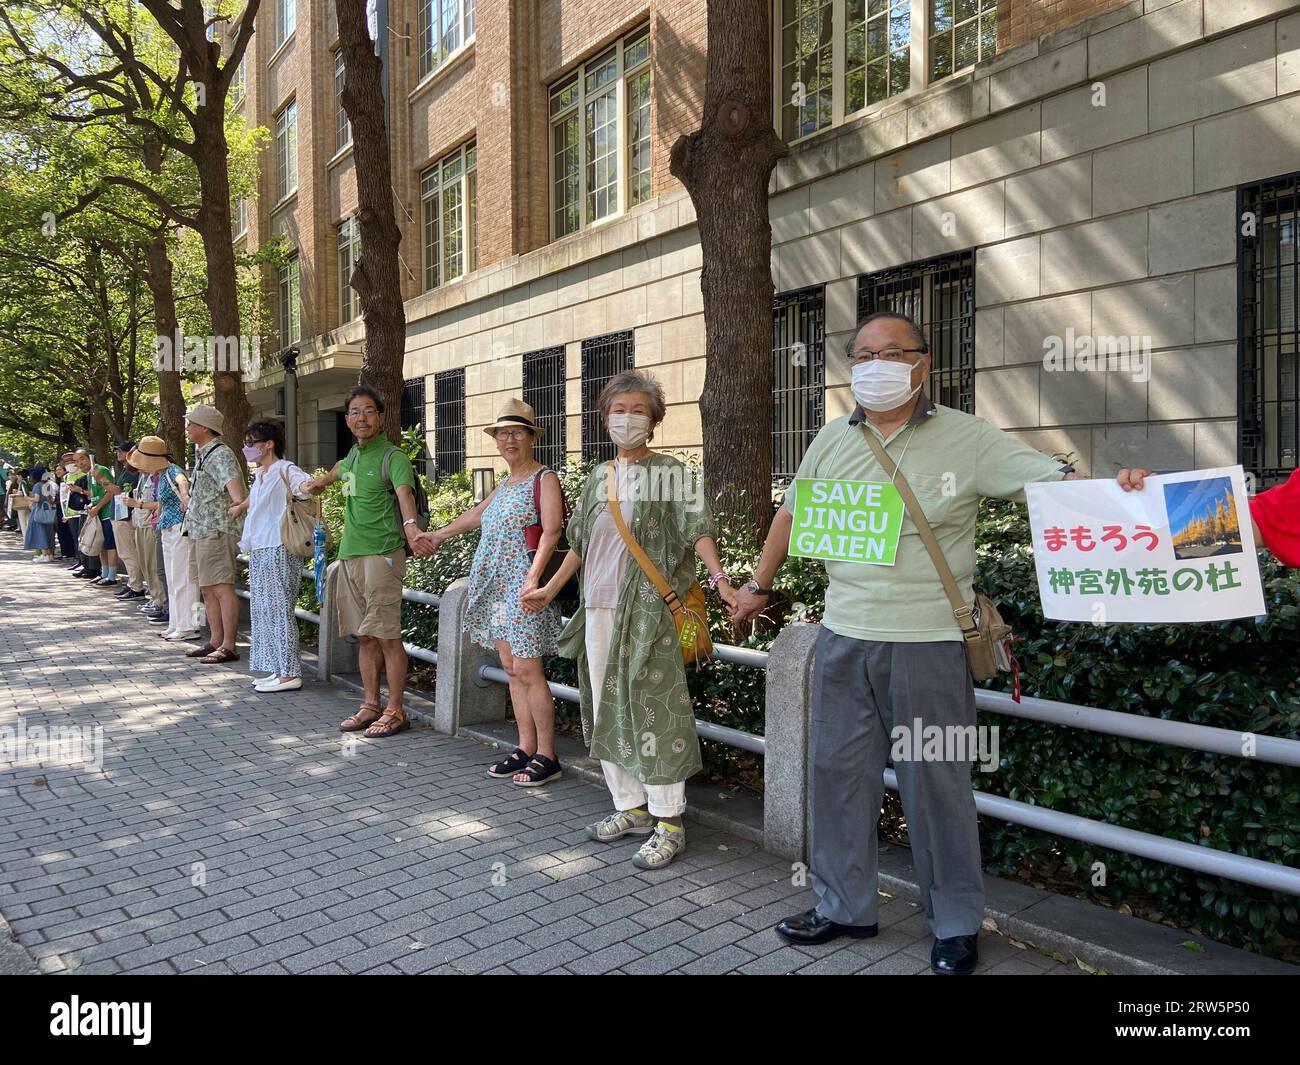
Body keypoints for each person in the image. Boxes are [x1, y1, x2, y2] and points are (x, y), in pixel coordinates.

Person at [726, 311, 1142, 975]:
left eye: (891, 351)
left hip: (925, 644)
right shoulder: (832, 437)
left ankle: (953, 921)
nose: (874, 363)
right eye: (862, 352)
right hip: (841, 639)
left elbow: (1053, 484)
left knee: (936, 785)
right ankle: (843, 906)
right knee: (836, 777)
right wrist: (755, 584)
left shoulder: (967, 437)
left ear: (922, 364)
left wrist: (1119, 494)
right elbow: (791, 511)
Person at [524, 370, 736, 869]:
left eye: (638, 410)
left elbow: (697, 526)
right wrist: (549, 590)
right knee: (604, 705)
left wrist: (721, 577)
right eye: (618, 410)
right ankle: (631, 808)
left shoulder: (670, 472)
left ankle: (669, 821)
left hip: (647, 609)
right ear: (604, 419)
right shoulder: (600, 476)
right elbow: (581, 543)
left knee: (653, 709)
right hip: (596, 609)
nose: (627, 419)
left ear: (655, 420)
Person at [419, 399, 565, 785]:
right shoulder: (507, 483)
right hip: (496, 590)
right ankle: (526, 748)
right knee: (513, 671)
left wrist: (534, 579)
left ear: (532, 437)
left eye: (517, 432)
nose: (509, 439)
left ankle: (548, 755)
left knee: (530, 671)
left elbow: (552, 531)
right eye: (503, 433)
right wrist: (437, 535)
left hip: (522, 590)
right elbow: (475, 516)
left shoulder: (543, 478)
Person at [303, 386, 430, 737]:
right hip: (349, 557)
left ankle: (396, 710)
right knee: (364, 637)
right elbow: (329, 478)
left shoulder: (393, 457)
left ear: (380, 416)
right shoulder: (350, 459)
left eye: (368, 411)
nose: (361, 417)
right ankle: (370, 704)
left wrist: (412, 532)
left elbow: (405, 496)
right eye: (355, 412)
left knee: (387, 636)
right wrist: (312, 486)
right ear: (347, 420)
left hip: (383, 556)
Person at [232, 421, 313, 692]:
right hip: (262, 547)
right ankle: (277, 668)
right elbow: (256, 504)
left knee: (280, 610)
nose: (247, 448)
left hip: (280, 546)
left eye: (251, 442)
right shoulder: (262, 474)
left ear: (269, 444)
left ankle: (289, 672)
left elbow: (304, 487)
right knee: (264, 610)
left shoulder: (284, 469)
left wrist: (322, 482)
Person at [181, 405, 247, 664]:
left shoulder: (220, 454)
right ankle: (216, 641)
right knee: (208, 588)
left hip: (216, 530)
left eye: (191, 423)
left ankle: (229, 645)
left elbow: (236, 492)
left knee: (221, 587)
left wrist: (236, 505)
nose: (187, 428)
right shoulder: (204, 454)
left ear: (204, 428)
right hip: (201, 529)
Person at [130, 436, 199, 642]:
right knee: (172, 578)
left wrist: (185, 496)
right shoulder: (160, 475)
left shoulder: (172, 471)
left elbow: (182, 481)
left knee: (183, 578)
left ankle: (190, 625)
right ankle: (177, 623)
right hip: (168, 528)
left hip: (180, 529)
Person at [69, 449, 119, 585]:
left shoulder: (101, 470)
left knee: (110, 545)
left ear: (89, 458)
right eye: (76, 461)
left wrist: (97, 507)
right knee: (101, 544)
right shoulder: (90, 475)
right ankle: (104, 573)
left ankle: (112, 576)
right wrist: (84, 495)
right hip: (98, 514)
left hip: (107, 513)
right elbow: (94, 493)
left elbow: (111, 492)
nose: (80, 464)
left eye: (82, 459)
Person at [123, 449, 164, 609]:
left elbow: (160, 503)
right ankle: (153, 597)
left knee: (153, 565)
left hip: (150, 525)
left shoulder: (158, 477)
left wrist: (138, 504)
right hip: (139, 524)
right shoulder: (143, 477)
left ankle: (160, 599)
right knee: (145, 564)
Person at [108, 441, 143, 596]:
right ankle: (133, 583)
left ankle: (136, 586)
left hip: (124, 516)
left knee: (128, 552)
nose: (118, 454)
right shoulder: (125, 470)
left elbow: (118, 491)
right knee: (125, 552)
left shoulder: (132, 472)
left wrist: (101, 479)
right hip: (119, 514)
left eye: (122, 451)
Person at [21, 467, 58, 562]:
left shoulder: (37, 485)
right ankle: (50, 555)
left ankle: (44, 554)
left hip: (38, 511)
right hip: (47, 511)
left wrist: (27, 498)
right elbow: (51, 500)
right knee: (48, 533)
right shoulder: (47, 485)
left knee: (40, 533)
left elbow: (37, 499)